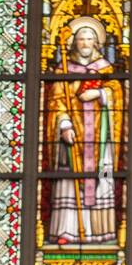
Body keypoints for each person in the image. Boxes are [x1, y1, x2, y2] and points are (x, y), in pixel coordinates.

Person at [45, 16, 118, 244]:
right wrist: (64, 124)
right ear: (74, 43)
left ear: (97, 43)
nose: (85, 44)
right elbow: (56, 101)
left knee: (103, 178)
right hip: (74, 138)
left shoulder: (105, 68)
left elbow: (117, 92)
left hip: (100, 140)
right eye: (81, 39)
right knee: (70, 181)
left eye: (90, 39)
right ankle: (68, 231)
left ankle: (100, 231)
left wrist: (100, 93)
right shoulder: (63, 70)